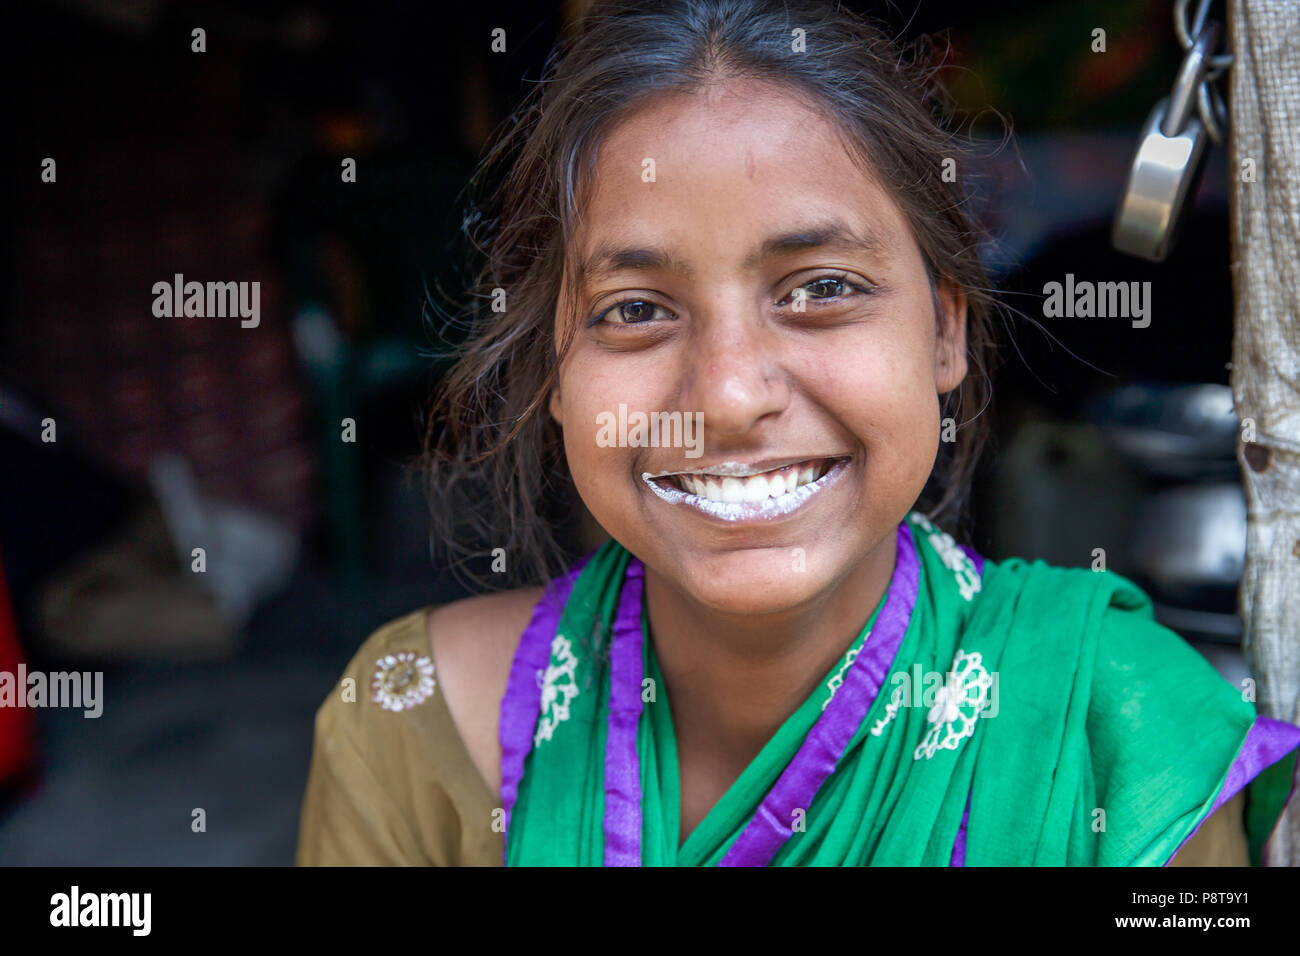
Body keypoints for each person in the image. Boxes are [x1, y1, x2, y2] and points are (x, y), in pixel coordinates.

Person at [296, 0, 1300, 866]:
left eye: (820, 289)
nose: (729, 395)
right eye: (635, 308)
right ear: (554, 370)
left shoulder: (1116, 731)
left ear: (943, 328)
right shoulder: (413, 724)